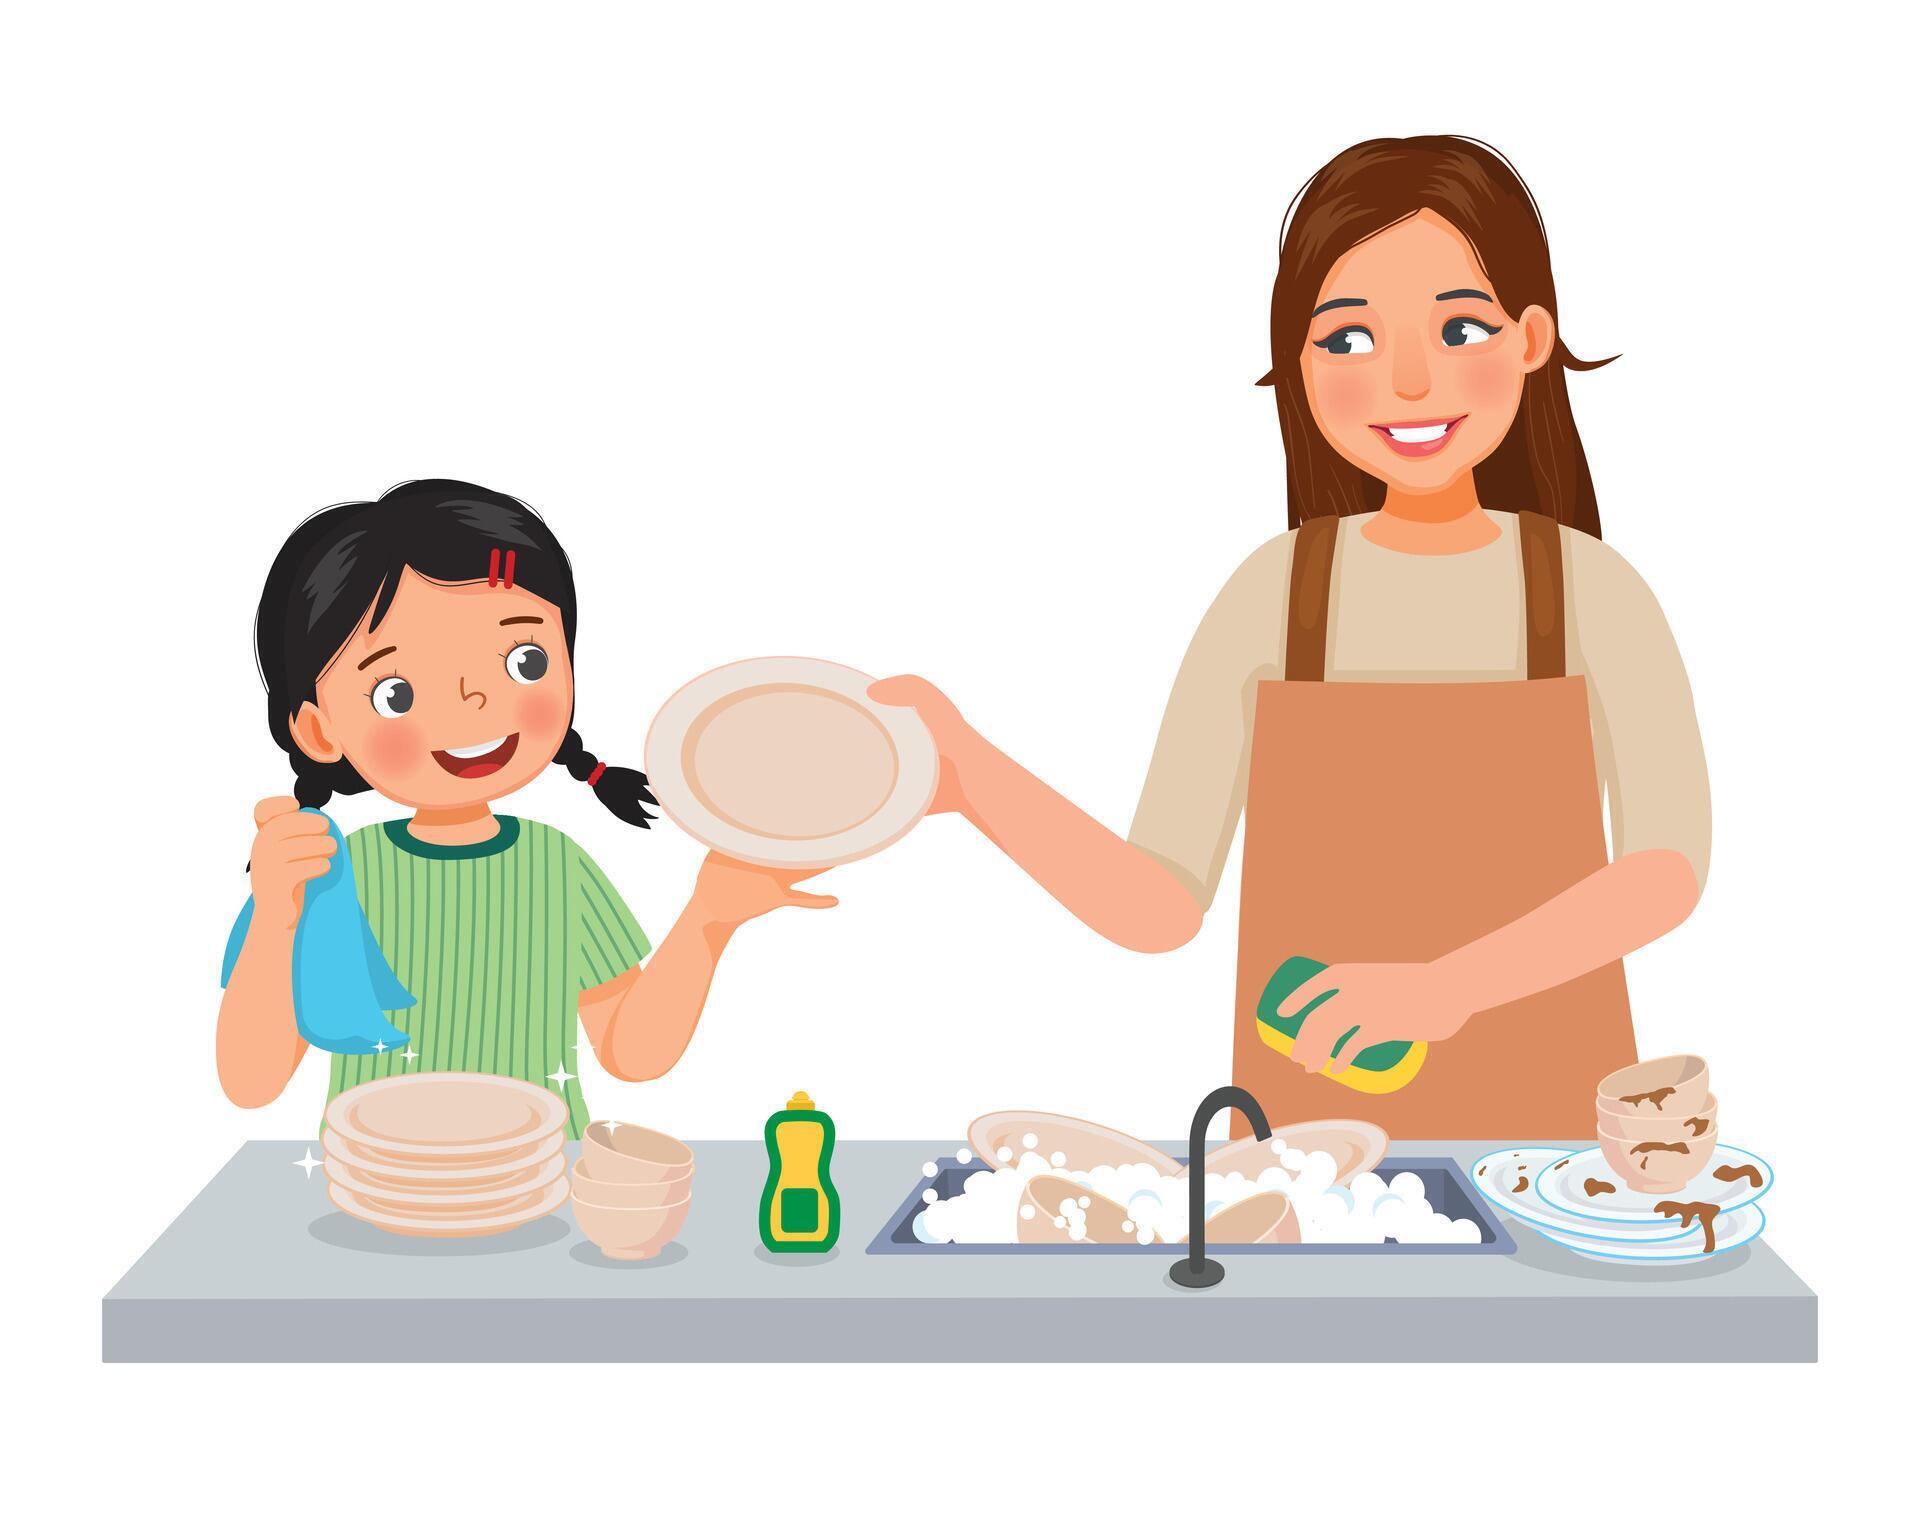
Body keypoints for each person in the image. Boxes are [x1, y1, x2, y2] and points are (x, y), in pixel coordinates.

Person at [874, 136, 1709, 1137]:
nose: (1408, 382)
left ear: (1532, 339)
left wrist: (1447, 988)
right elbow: (1162, 902)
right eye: (1349, 340)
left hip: (1550, 1146)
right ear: (1297, 365)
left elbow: (1665, 868)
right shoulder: (1277, 595)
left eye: (1458, 327)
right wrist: (967, 774)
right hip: (1308, 1154)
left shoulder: (1589, 593)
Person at [216, 479, 834, 1131]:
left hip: (541, 1188)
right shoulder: (332, 874)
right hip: (382, 1189)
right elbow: (251, 1082)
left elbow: (630, 1051)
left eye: (524, 660)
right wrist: (276, 918)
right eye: (396, 692)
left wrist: (709, 919)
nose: (474, 702)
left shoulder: (556, 865)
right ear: (318, 729)